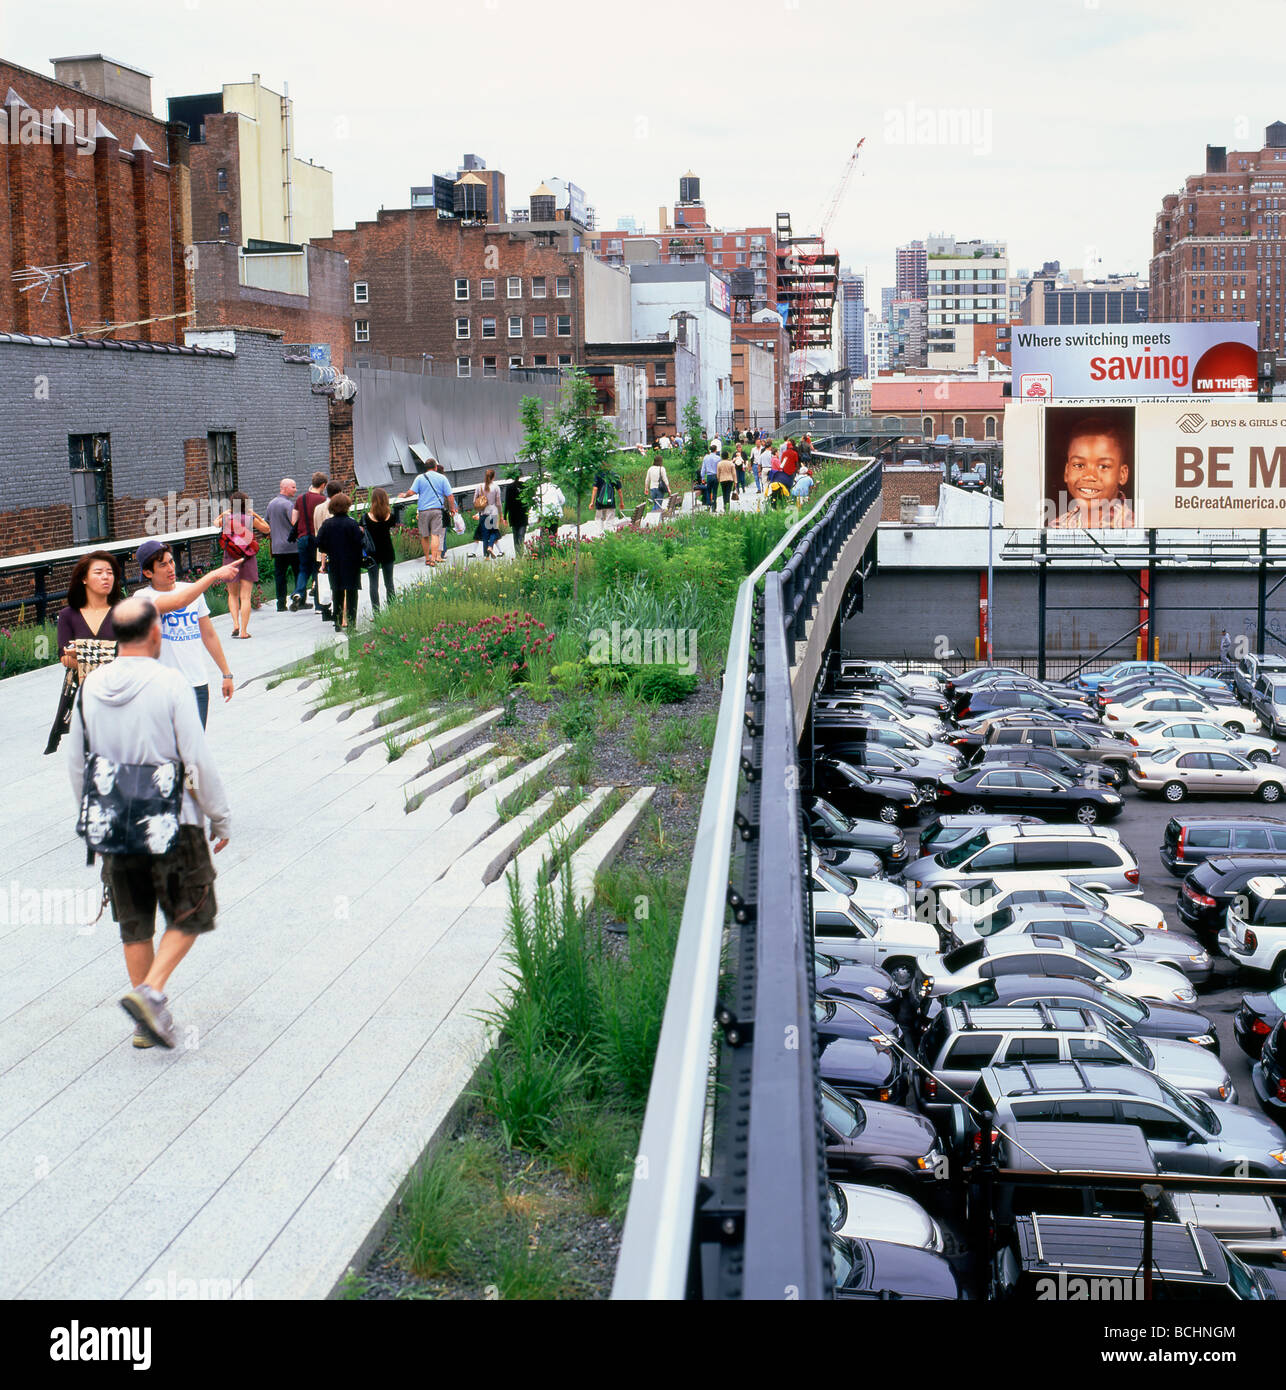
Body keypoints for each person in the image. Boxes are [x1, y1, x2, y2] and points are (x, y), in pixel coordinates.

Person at [68, 595, 231, 1050]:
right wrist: (218, 817)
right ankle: (151, 994)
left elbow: (76, 763)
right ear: (155, 633)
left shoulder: (91, 686)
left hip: (114, 819)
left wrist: (92, 822)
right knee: (194, 909)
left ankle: (146, 1024)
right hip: (170, 817)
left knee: (135, 922)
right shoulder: (171, 684)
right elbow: (194, 759)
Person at [133, 540, 238, 729]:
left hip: (197, 685)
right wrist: (214, 574)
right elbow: (177, 602)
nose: (170, 568)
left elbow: (209, 635)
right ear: (148, 573)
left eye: (171, 562)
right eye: (163, 565)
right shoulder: (142, 598)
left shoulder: (191, 592)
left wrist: (226, 674)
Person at [1046, 418, 1135, 529]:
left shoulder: (1134, 527)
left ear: (1122, 474)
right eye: (1079, 465)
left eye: (1103, 466)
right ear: (1067, 471)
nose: (1089, 476)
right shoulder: (1057, 526)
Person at [214, 491, 270, 639]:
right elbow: (267, 528)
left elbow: (215, 523)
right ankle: (244, 631)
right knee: (245, 597)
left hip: (230, 557)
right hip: (248, 557)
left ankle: (235, 625)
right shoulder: (250, 518)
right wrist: (256, 514)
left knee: (232, 594)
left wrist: (222, 514)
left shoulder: (227, 518)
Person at [316, 492, 365, 632]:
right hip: (351, 562)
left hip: (335, 561)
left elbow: (319, 542)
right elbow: (359, 542)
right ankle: (351, 623)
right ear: (347, 506)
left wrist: (328, 549)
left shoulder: (327, 524)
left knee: (337, 592)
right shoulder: (352, 523)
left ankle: (337, 623)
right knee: (352, 593)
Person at [398, 457, 454, 566]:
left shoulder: (419, 478)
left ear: (426, 467)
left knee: (424, 536)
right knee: (435, 535)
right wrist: (452, 508)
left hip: (423, 511)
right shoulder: (442, 478)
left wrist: (404, 495)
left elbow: (411, 492)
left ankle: (427, 559)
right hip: (437, 510)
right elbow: (450, 496)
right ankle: (434, 559)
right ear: (435, 467)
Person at [290, 473, 328, 609]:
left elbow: (293, 520)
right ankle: (319, 604)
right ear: (323, 485)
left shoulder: (300, 498)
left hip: (302, 538)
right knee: (317, 568)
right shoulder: (323, 500)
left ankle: (299, 593)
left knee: (303, 568)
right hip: (316, 538)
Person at [265, 478, 299, 612]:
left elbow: (266, 522)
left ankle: (281, 604)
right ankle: (298, 599)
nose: (295, 490)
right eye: (293, 487)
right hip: (292, 546)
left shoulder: (271, 504)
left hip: (277, 547)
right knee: (298, 573)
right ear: (284, 488)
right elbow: (294, 523)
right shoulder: (288, 505)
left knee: (280, 576)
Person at [362, 488, 397, 613]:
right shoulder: (390, 517)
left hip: (372, 554)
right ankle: (392, 609)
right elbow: (393, 526)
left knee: (373, 584)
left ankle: (376, 612)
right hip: (387, 552)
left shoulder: (365, 518)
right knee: (389, 583)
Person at [473, 467, 504, 557]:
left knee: (485, 535)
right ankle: (490, 547)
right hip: (493, 513)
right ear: (493, 477)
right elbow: (498, 503)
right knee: (494, 532)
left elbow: (474, 501)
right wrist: (501, 515)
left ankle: (486, 556)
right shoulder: (496, 487)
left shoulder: (479, 487)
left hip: (483, 513)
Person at [503, 476, 530, 555]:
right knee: (521, 534)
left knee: (515, 535)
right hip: (523, 513)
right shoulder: (524, 485)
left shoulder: (509, 487)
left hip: (513, 514)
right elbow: (528, 499)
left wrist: (505, 516)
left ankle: (518, 554)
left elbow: (507, 502)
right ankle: (520, 553)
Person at [700, 443, 721, 509]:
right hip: (716, 476)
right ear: (716, 450)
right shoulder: (718, 458)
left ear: (710, 450)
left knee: (708, 490)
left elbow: (703, 468)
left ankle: (708, 504)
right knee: (715, 491)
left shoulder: (706, 457)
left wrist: (703, 477)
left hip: (709, 476)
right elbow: (719, 468)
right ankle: (714, 506)